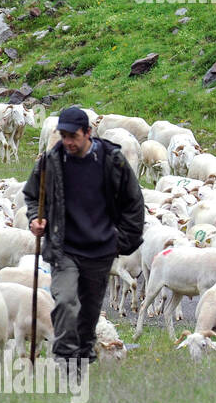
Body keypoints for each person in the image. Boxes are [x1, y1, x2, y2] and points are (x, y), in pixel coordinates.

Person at [23, 106, 145, 372]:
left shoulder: (111, 160)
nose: (67, 142)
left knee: (89, 315)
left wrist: (122, 241)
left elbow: (133, 201)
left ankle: (81, 362)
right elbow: (33, 196)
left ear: (88, 133)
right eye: (63, 136)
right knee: (66, 302)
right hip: (64, 247)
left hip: (100, 251)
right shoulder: (51, 161)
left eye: (73, 136)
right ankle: (66, 363)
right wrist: (36, 218)